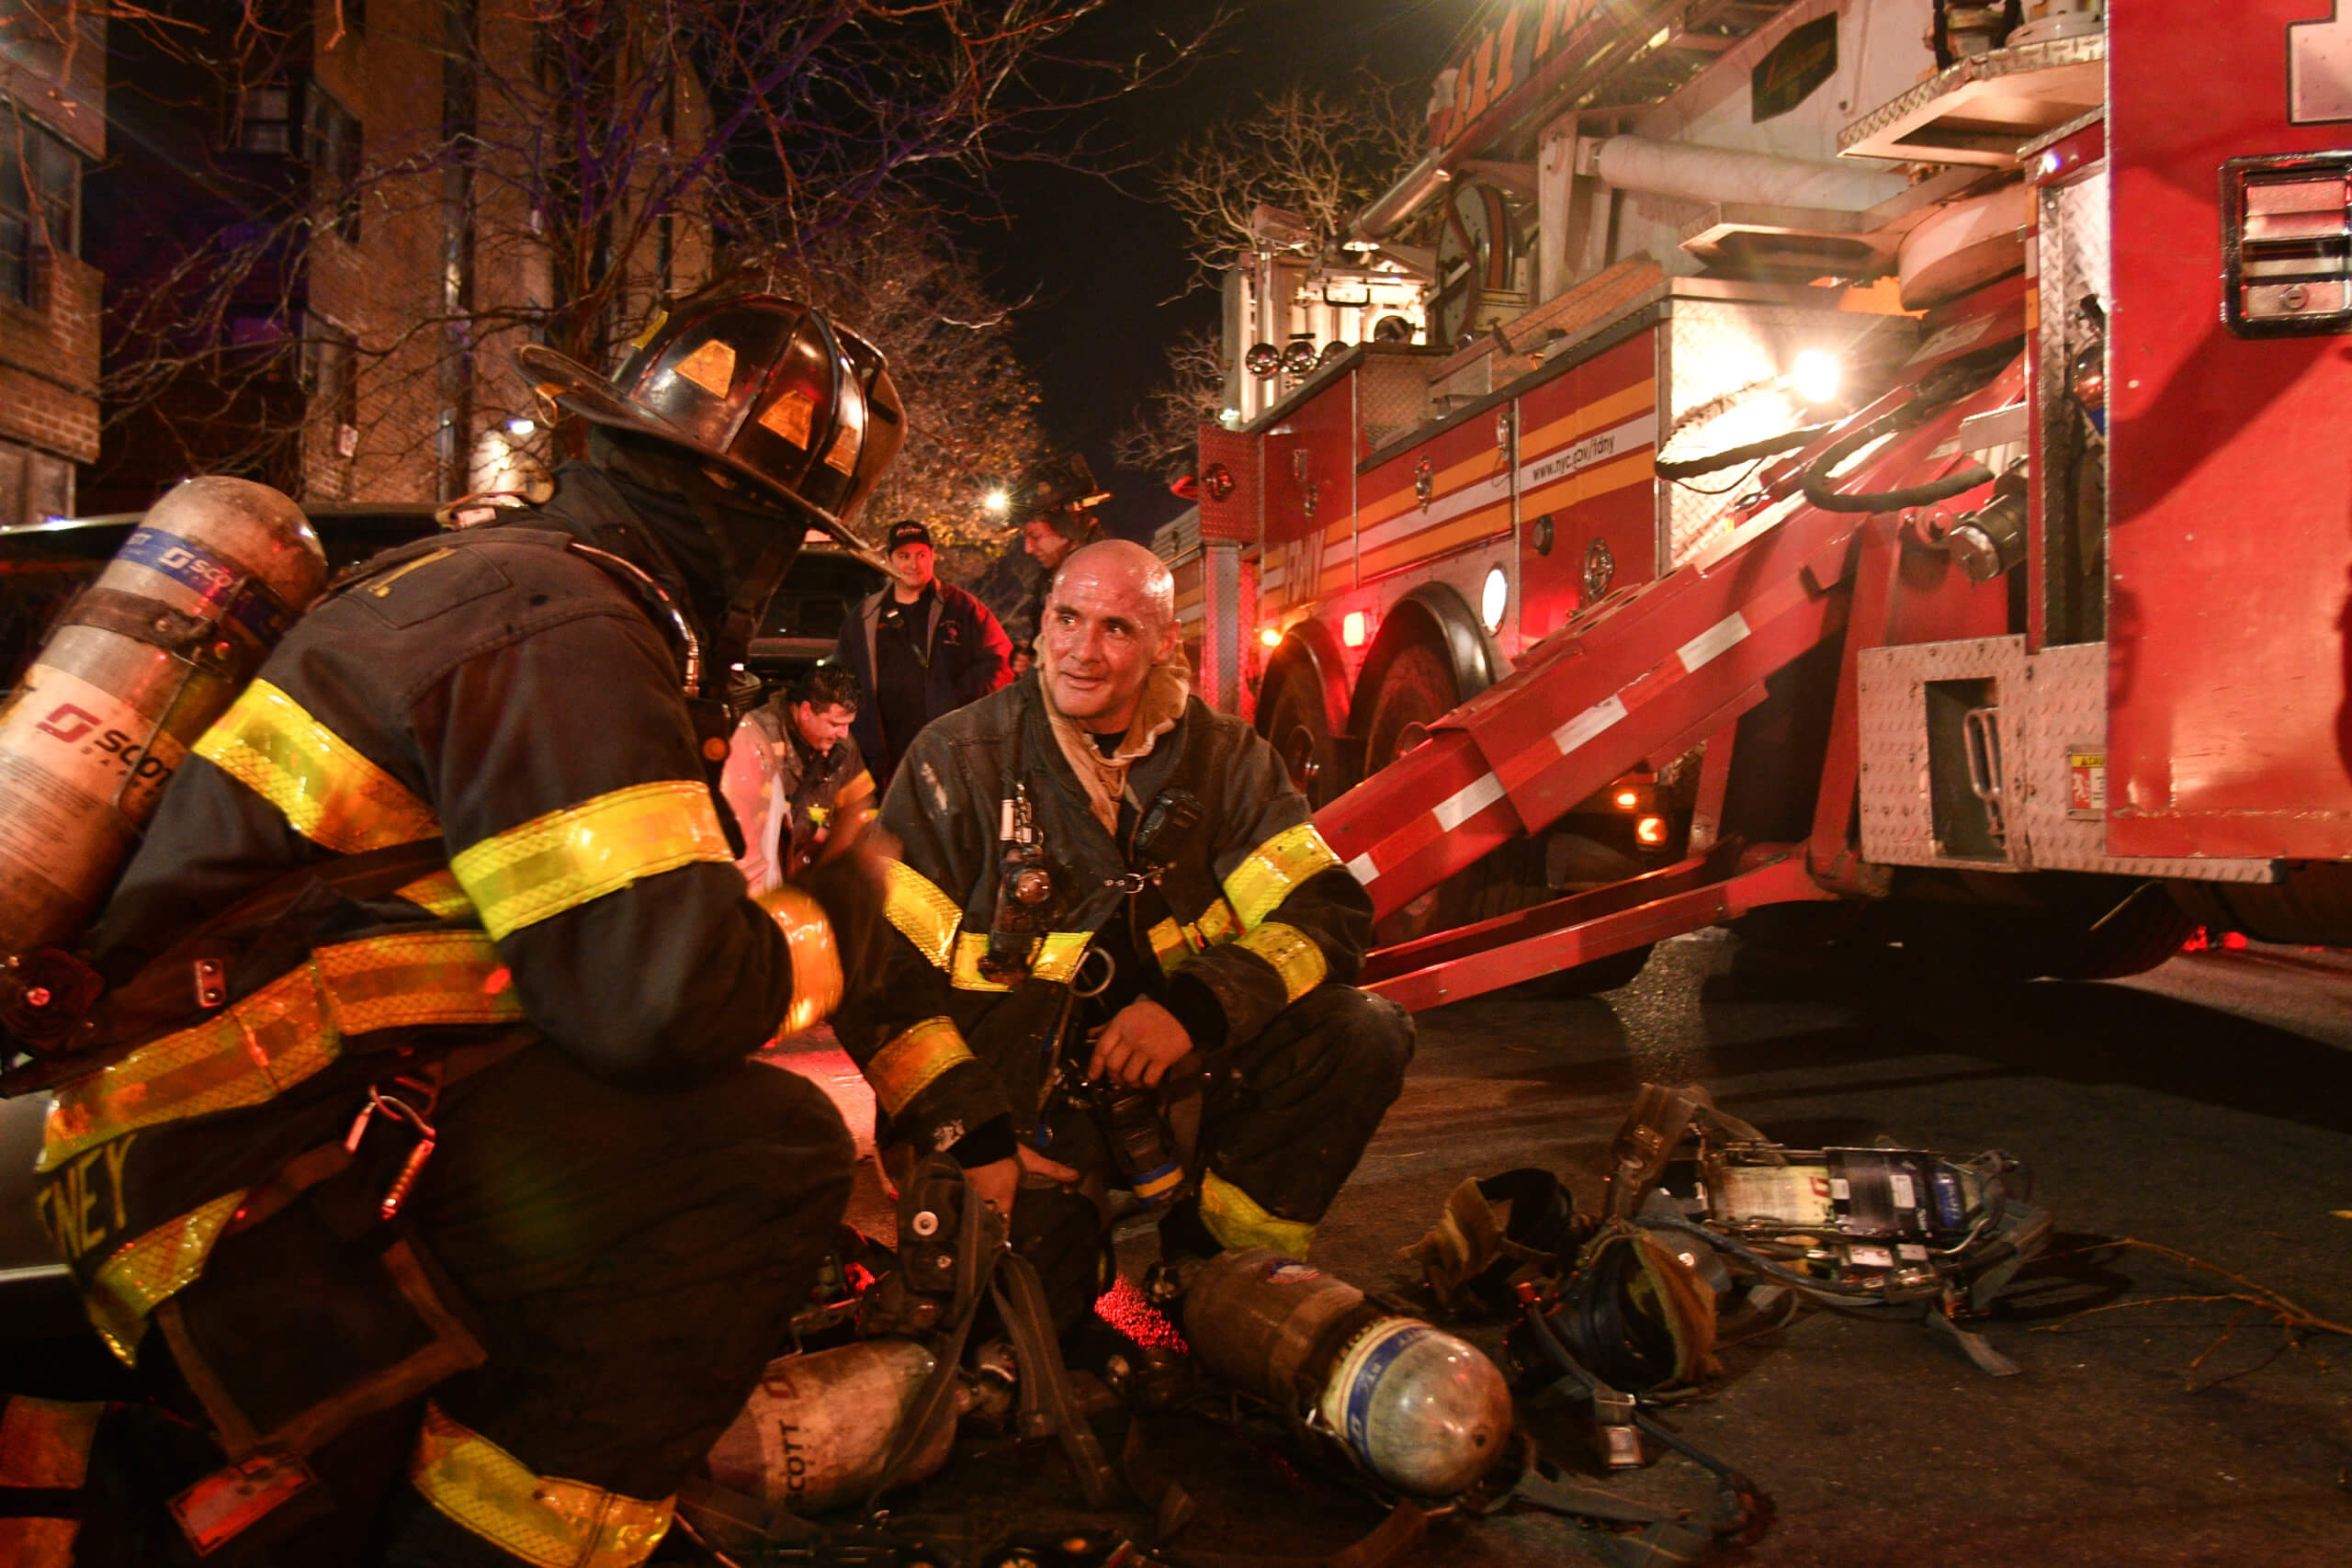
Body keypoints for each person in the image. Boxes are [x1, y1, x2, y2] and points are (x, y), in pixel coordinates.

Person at [40, 292, 902, 1566]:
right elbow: (654, 998)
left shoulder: (487, 582)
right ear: (750, 524)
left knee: (622, 1158)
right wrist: (843, 910)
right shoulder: (571, 628)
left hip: (202, 1135)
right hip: (220, 1179)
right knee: (758, 1149)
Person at [833, 540, 1413, 1337]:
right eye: (1067, 619)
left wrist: (1195, 1008)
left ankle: (1218, 1266)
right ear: (1041, 624)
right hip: (1013, 1105)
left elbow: (1328, 909)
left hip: (1179, 1077)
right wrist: (972, 1131)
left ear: (1164, 641)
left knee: (1363, 1030)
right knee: (1033, 1335)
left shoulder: (1226, 759)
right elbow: (872, 968)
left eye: (1116, 629)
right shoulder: (959, 759)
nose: (1082, 651)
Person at [836, 518, 1012, 790]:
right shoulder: (864, 616)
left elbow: (1000, 662)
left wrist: (958, 703)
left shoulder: (962, 608)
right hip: (882, 759)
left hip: (947, 752)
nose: (913, 564)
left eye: (921, 555)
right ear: (888, 559)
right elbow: (843, 677)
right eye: (903, 556)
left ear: (932, 556)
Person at [722, 663, 876, 894]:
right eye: (835, 724)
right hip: (766, 880)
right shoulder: (758, 738)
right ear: (806, 711)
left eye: (848, 725)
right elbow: (750, 823)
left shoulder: (842, 746)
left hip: (812, 878)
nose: (844, 734)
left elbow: (860, 807)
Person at [1008, 452, 1111, 650]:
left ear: (1068, 527)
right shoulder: (1047, 585)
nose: (1028, 548)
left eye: (1035, 536)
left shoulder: (1112, 580)